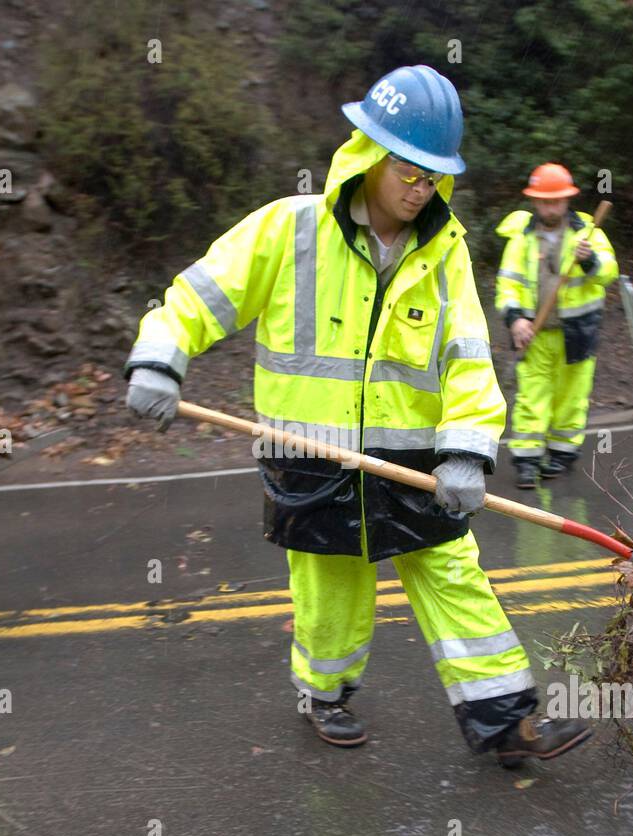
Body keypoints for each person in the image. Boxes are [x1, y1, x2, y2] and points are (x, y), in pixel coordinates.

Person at [125, 67, 591, 767]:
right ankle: (325, 693)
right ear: (370, 153)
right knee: (331, 588)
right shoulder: (291, 228)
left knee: (453, 575)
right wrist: (159, 357)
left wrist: (466, 449)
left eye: (433, 176)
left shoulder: (445, 251)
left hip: (415, 456)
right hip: (311, 452)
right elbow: (200, 295)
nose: (418, 187)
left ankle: (507, 721)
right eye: (407, 168)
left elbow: (468, 355)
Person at [494, 163, 618, 489]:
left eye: (557, 201)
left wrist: (589, 259)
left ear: (567, 200)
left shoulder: (588, 234)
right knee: (531, 398)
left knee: (571, 399)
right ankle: (526, 461)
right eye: (545, 201)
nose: (551, 207)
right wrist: (515, 319)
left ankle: (561, 455)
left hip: (577, 333)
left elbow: (608, 273)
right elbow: (508, 284)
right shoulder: (521, 239)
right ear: (535, 201)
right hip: (535, 335)